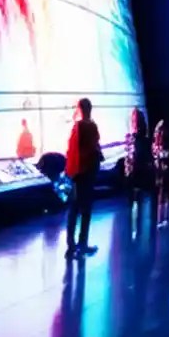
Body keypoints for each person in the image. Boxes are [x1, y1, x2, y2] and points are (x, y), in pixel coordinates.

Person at [64, 98, 102, 259]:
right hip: (86, 175)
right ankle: (82, 244)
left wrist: (70, 173)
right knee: (85, 211)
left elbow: (71, 151)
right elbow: (94, 148)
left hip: (75, 175)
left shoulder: (77, 127)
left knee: (73, 210)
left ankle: (71, 246)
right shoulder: (91, 126)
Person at [125, 107, 157, 229]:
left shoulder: (141, 140)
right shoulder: (133, 139)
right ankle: (136, 228)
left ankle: (141, 229)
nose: (133, 123)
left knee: (141, 201)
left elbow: (142, 155)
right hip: (135, 173)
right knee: (135, 202)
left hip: (140, 173)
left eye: (134, 120)